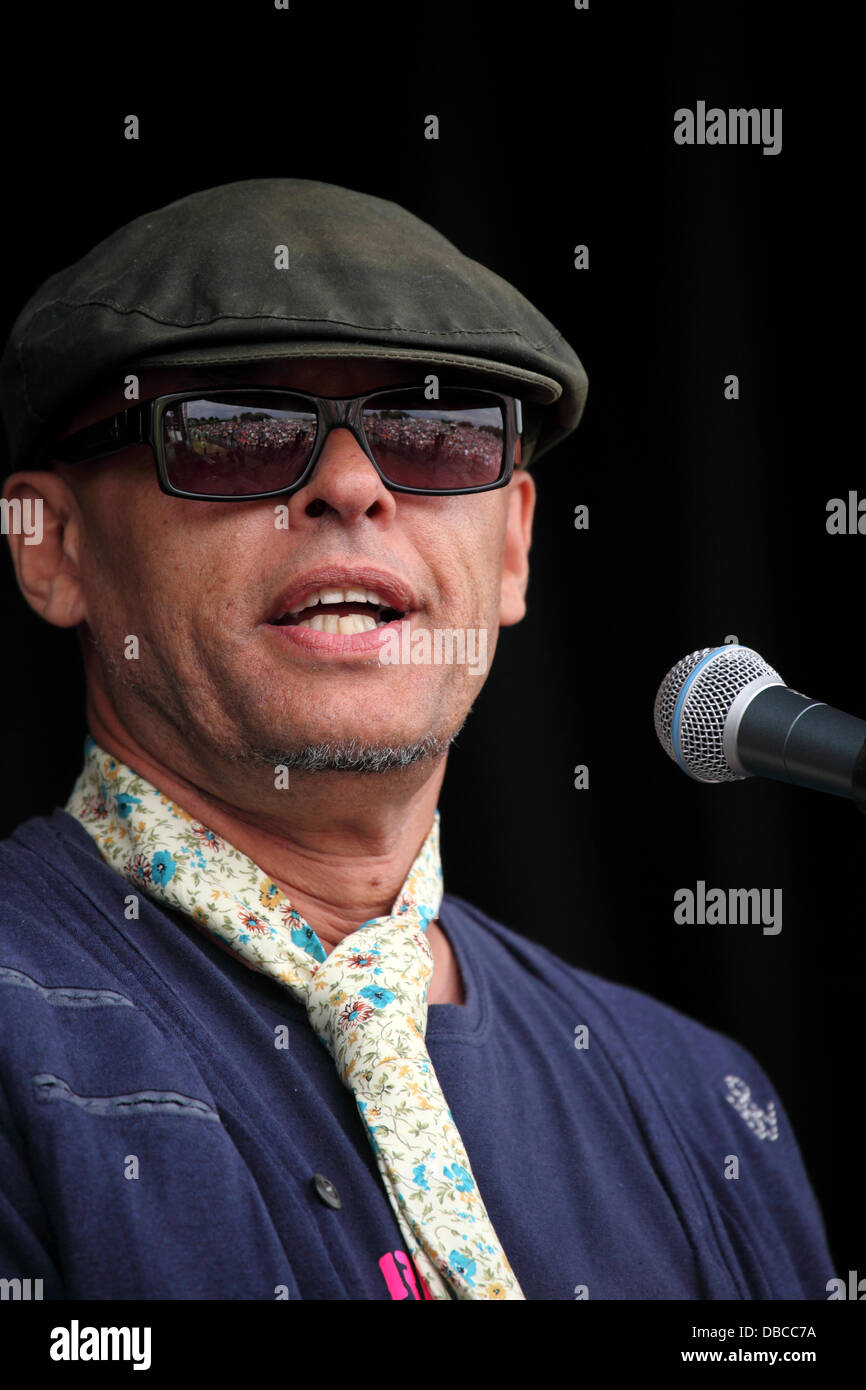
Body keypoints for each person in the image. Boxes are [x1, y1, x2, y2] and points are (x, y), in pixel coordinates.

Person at [0, 179, 833, 1300]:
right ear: (51, 544)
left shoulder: (701, 1102)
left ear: (511, 552)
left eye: (434, 436)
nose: (350, 485)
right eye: (239, 433)